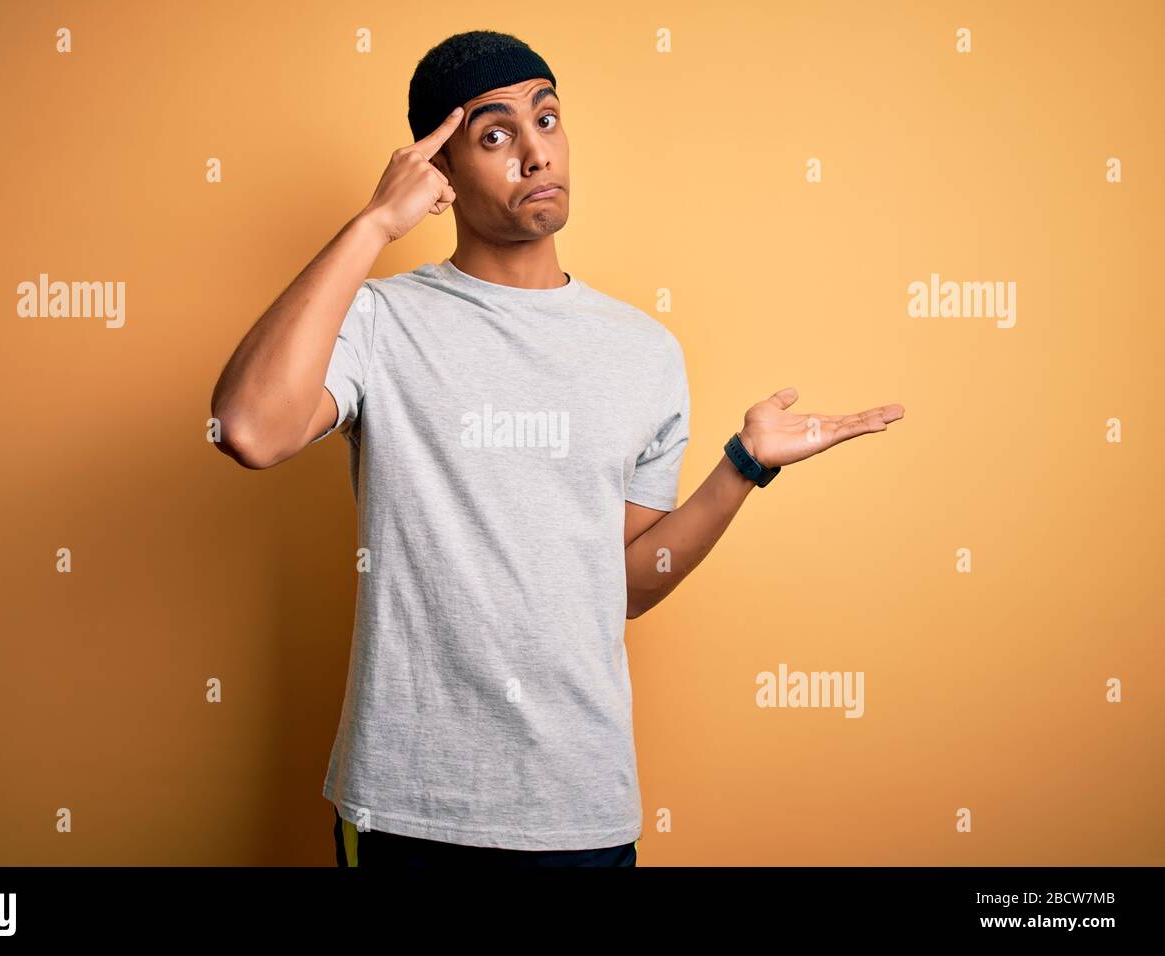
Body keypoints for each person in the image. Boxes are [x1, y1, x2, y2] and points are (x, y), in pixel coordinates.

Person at [209, 30, 904, 867]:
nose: (536, 152)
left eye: (548, 118)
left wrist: (743, 469)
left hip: (580, 808)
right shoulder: (381, 322)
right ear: (442, 173)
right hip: (408, 808)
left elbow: (626, 587)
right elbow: (249, 429)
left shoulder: (644, 352)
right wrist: (373, 225)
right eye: (495, 135)